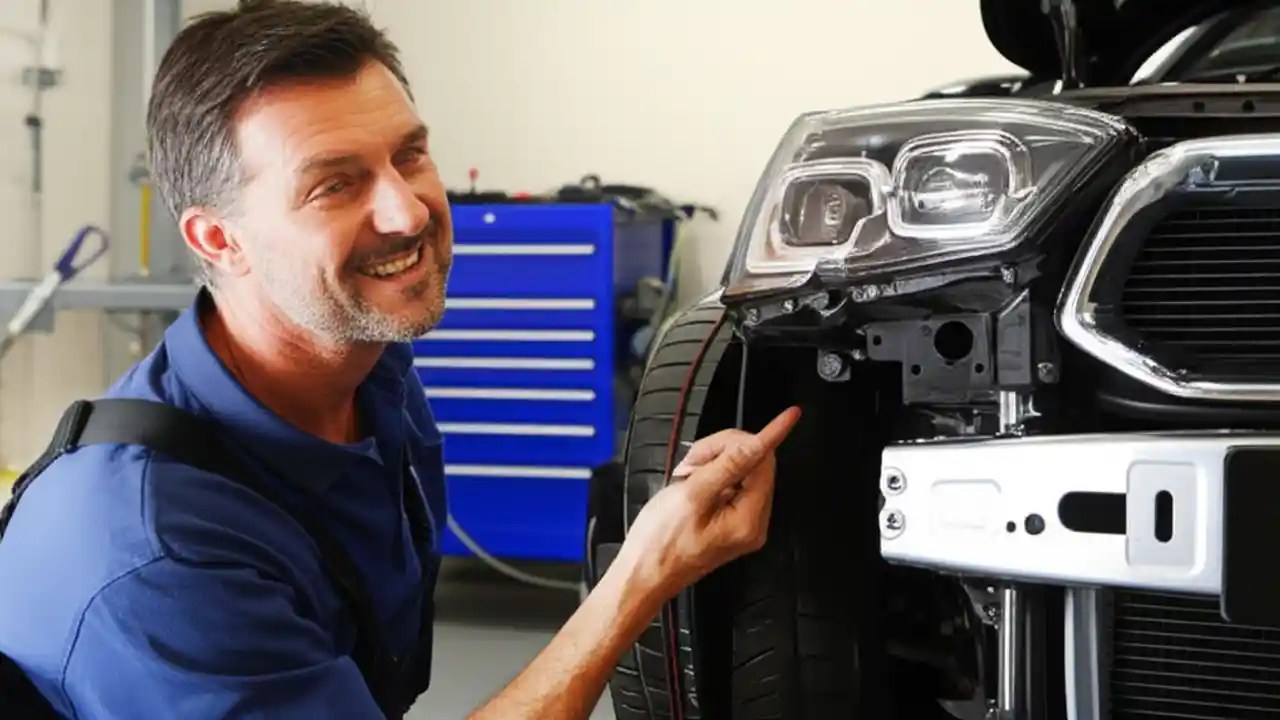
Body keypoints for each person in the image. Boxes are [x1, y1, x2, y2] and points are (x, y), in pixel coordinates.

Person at [0, 1, 801, 718]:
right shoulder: (160, 554)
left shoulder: (370, 373)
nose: (408, 209)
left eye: (409, 156)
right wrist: (640, 577)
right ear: (219, 239)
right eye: (335, 186)